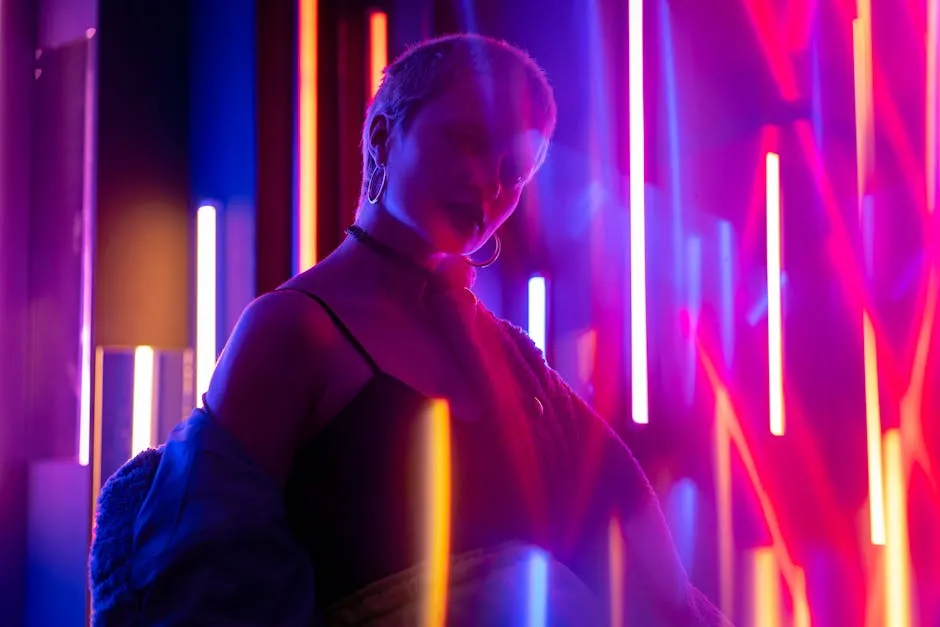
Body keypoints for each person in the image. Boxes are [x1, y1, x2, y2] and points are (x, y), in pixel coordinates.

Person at [89, 33, 730, 626]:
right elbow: (209, 591)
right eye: (468, 141)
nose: (490, 184)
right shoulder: (289, 331)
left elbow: (642, 553)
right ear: (382, 137)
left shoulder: (511, 356)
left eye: (514, 171)